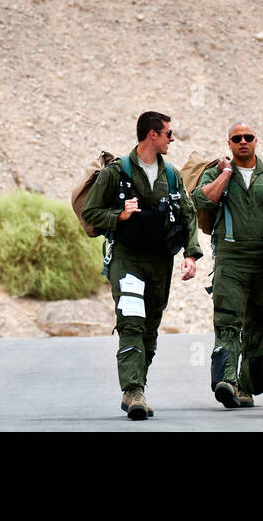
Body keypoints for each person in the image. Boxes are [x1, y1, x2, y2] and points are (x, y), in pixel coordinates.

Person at [81, 111, 202, 420]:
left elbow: (187, 214)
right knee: (132, 322)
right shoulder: (115, 173)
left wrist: (191, 254)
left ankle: (138, 387)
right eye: (168, 134)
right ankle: (133, 390)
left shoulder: (172, 174)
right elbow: (91, 213)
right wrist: (118, 216)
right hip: (128, 258)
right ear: (152, 135)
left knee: (150, 327)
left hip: (160, 260)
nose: (172, 139)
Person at [192, 121, 263, 409]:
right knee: (227, 321)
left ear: (256, 140)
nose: (243, 141)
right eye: (236, 138)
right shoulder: (215, 173)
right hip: (230, 260)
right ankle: (226, 381)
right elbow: (201, 201)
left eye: (248, 137)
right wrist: (226, 174)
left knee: (258, 320)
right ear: (229, 143)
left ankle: (247, 385)